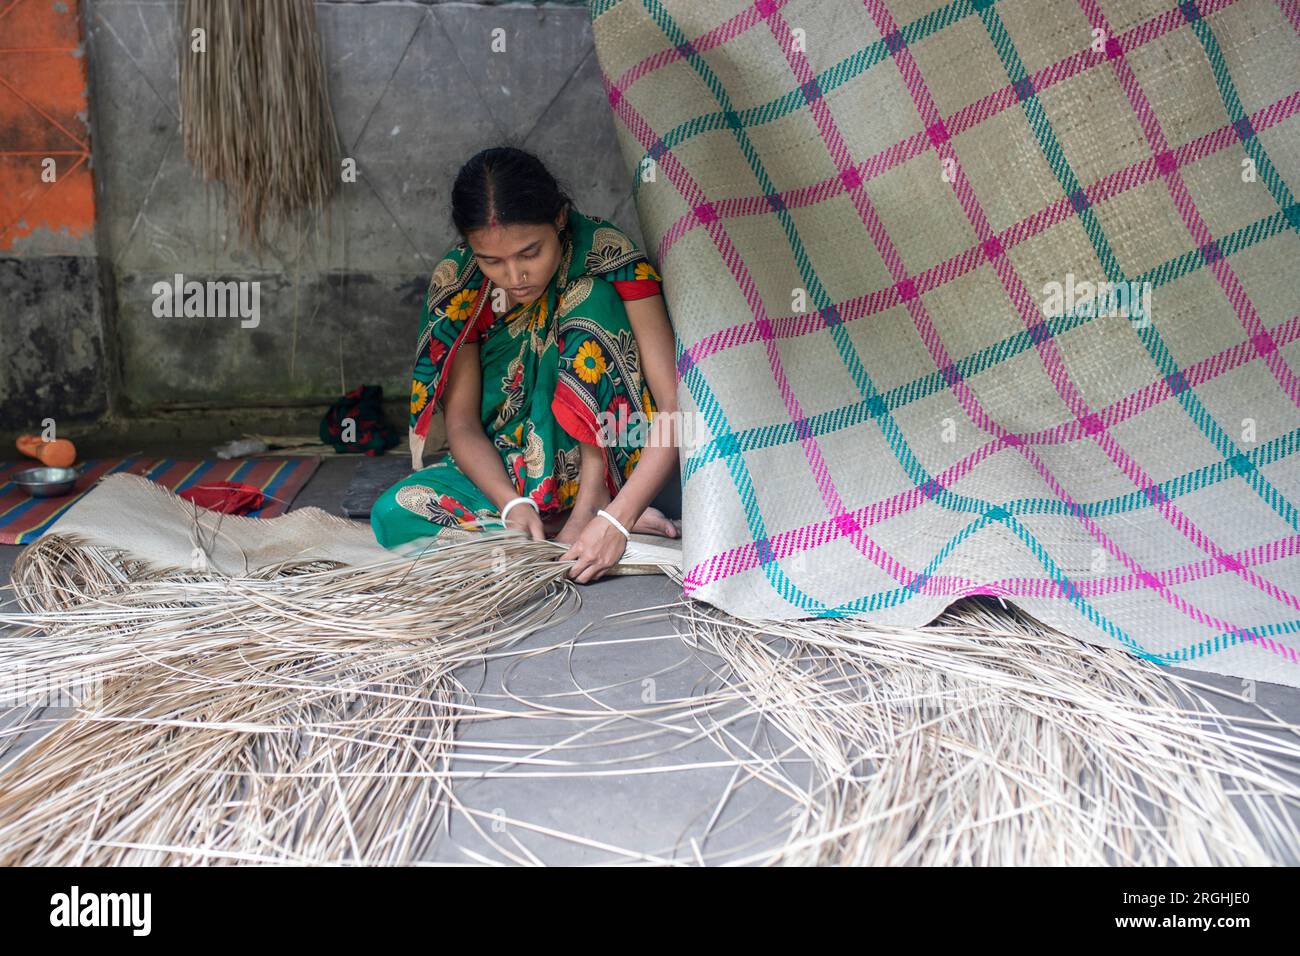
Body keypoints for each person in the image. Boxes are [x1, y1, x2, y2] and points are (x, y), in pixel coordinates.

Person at [371, 146, 680, 583]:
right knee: (395, 516)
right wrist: (510, 504)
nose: (514, 276)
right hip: (511, 468)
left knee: (589, 298)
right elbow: (462, 426)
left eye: (529, 253)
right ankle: (550, 526)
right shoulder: (460, 284)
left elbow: (672, 400)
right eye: (491, 260)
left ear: (559, 219)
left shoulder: (609, 256)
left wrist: (617, 519)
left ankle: (594, 507)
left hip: (614, 464)